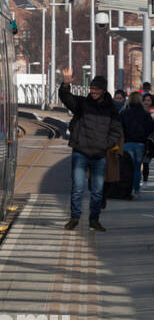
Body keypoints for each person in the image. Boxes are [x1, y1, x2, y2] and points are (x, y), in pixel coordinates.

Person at [58, 72, 123, 232]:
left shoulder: (111, 109)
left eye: (96, 89)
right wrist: (65, 84)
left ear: (103, 90)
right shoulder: (83, 104)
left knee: (97, 191)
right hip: (80, 151)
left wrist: (105, 145)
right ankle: (74, 218)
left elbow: (116, 130)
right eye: (91, 88)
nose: (92, 91)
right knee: (78, 187)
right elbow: (67, 99)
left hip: (99, 154)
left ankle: (94, 220)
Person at [121, 91, 154, 193]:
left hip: (127, 143)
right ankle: (136, 189)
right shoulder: (145, 113)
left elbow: (119, 127)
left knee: (128, 168)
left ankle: (128, 189)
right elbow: (151, 128)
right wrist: (144, 137)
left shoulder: (124, 112)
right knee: (137, 167)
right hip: (140, 143)